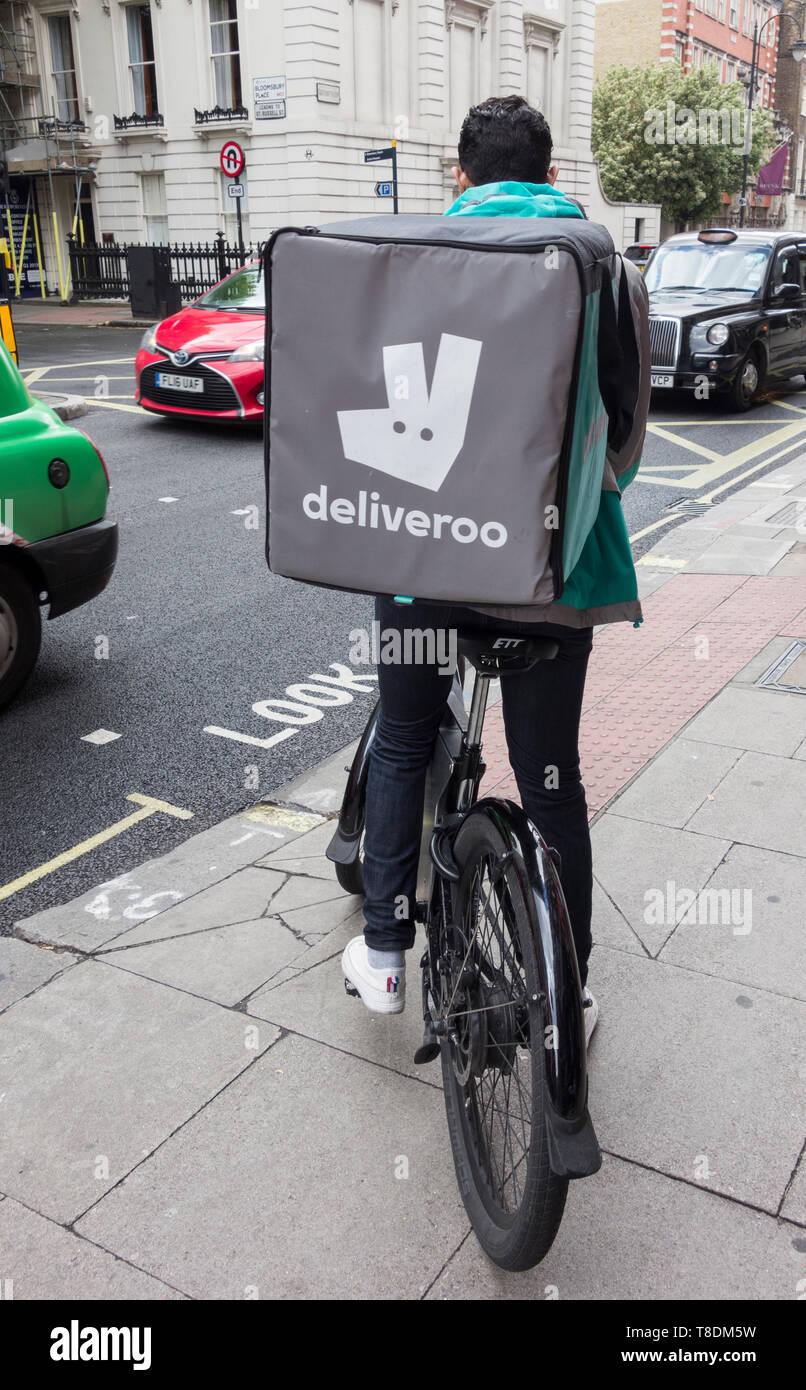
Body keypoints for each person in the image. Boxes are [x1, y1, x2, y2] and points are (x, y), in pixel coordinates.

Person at [341, 96, 650, 1045]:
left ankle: (386, 956)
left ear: (461, 174)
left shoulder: (418, 256)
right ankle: (568, 997)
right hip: (554, 573)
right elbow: (627, 440)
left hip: (426, 559)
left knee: (402, 737)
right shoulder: (604, 263)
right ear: (550, 176)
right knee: (552, 780)